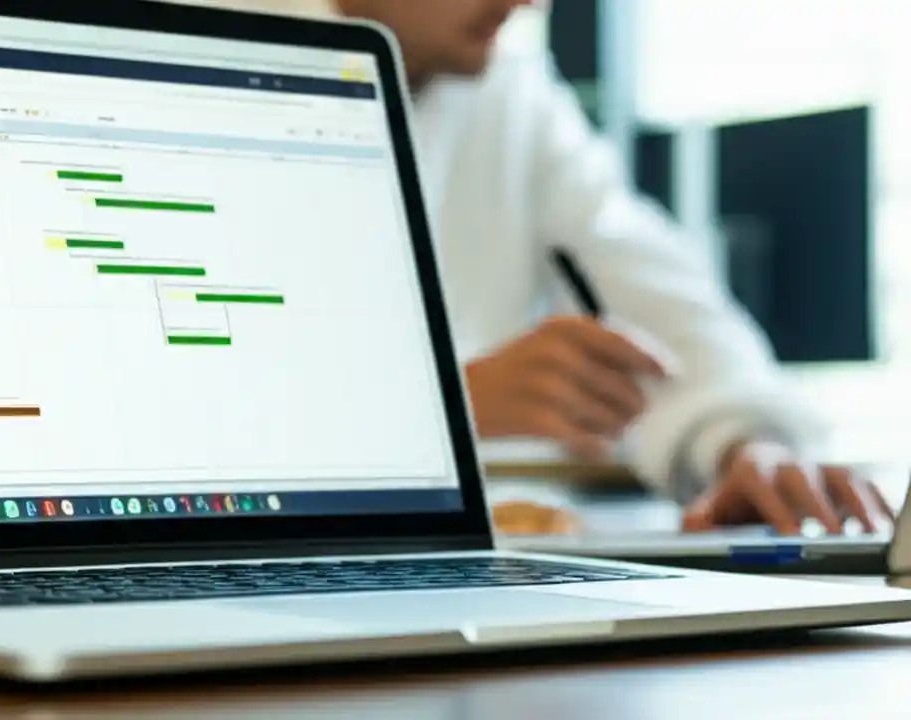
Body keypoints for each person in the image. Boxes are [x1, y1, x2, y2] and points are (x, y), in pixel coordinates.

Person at [182, 0, 892, 534]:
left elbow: (666, 305)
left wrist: (747, 444)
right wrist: (446, 406)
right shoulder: (175, 51)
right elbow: (169, 415)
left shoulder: (509, 94)